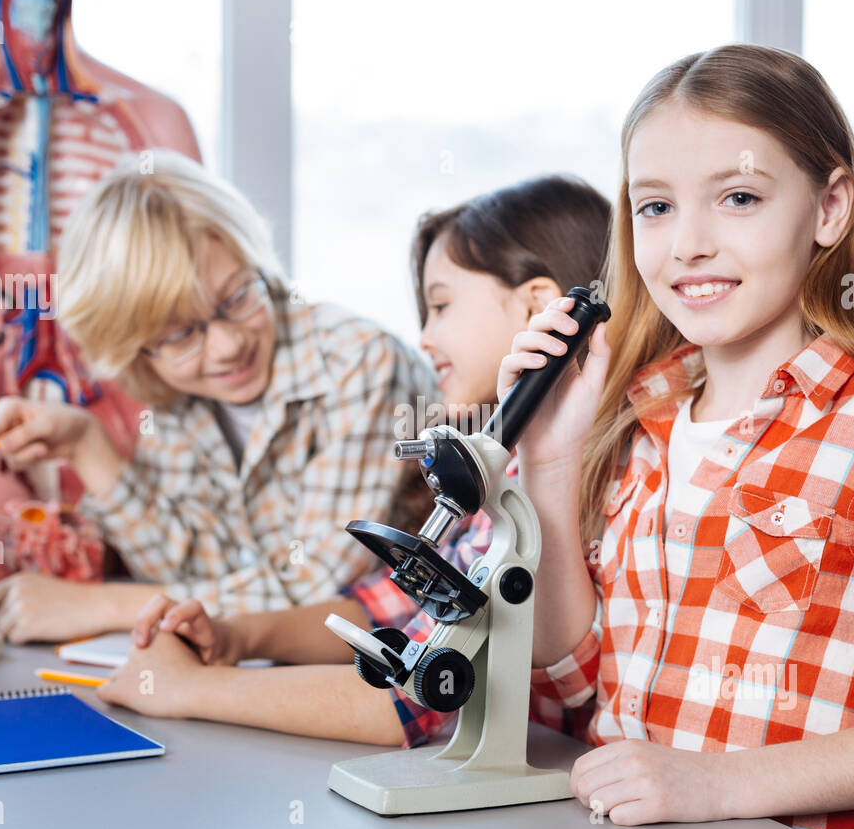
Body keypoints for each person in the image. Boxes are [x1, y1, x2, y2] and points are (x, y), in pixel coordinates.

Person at [499, 44, 854, 829]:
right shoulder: (640, 424)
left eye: (739, 198)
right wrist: (546, 461)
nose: (688, 245)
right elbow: (569, 686)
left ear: (829, 209)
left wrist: (717, 785)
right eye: (656, 208)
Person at [96, 175, 612, 746]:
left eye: (440, 306)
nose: (423, 339)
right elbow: (392, 606)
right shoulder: (498, 468)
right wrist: (235, 638)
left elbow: (413, 699)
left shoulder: (560, 472)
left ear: (539, 305)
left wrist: (186, 689)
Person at [0, 149, 436, 641]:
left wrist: (104, 604)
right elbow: (184, 564)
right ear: (136, 351)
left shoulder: (358, 361)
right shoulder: (174, 394)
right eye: (181, 334)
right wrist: (89, 447)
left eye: (236, 296)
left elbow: (313, 591)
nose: (228, 346)